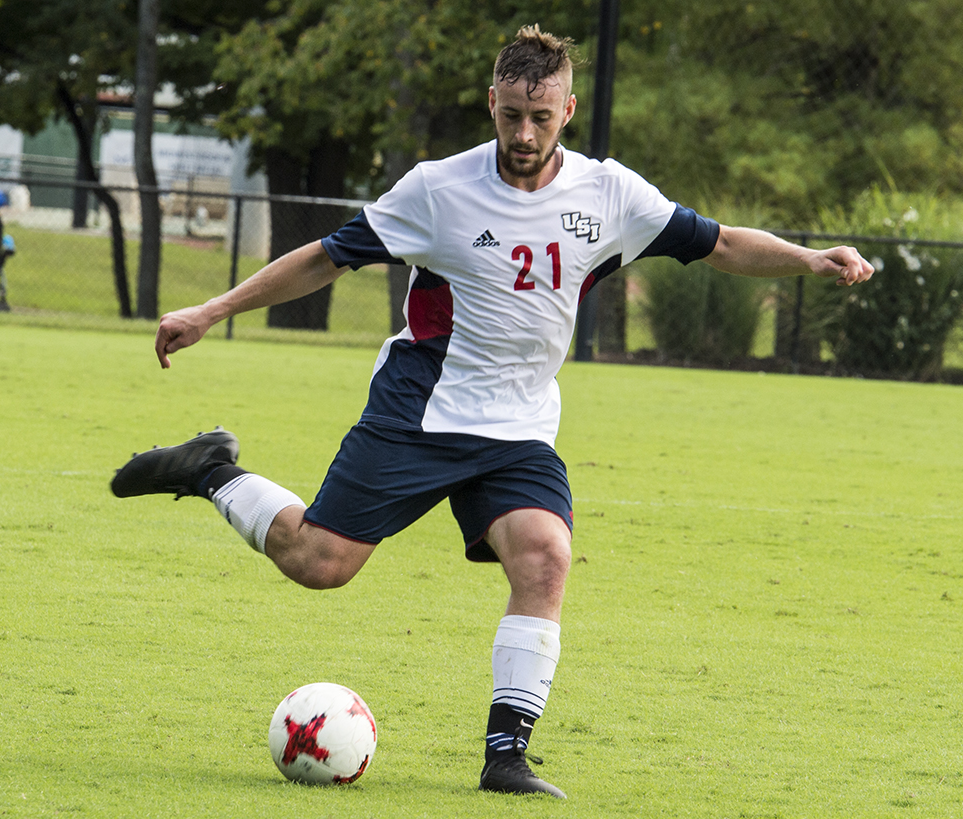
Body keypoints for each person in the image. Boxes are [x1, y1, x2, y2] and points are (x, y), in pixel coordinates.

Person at [112, 25, 874, 798]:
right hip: (421, 410)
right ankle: (213, 469)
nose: (524, 133)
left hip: (519, 429)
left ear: (568, 109)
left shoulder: (609, 194)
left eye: (540, 117)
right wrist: (214, 308)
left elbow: (717, 244)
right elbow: (323, 257)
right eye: (511, 114)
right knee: (320, 564)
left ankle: (506, 757)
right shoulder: (438, 188)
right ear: (491, 103)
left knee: (545, 555)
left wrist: (810, 258)